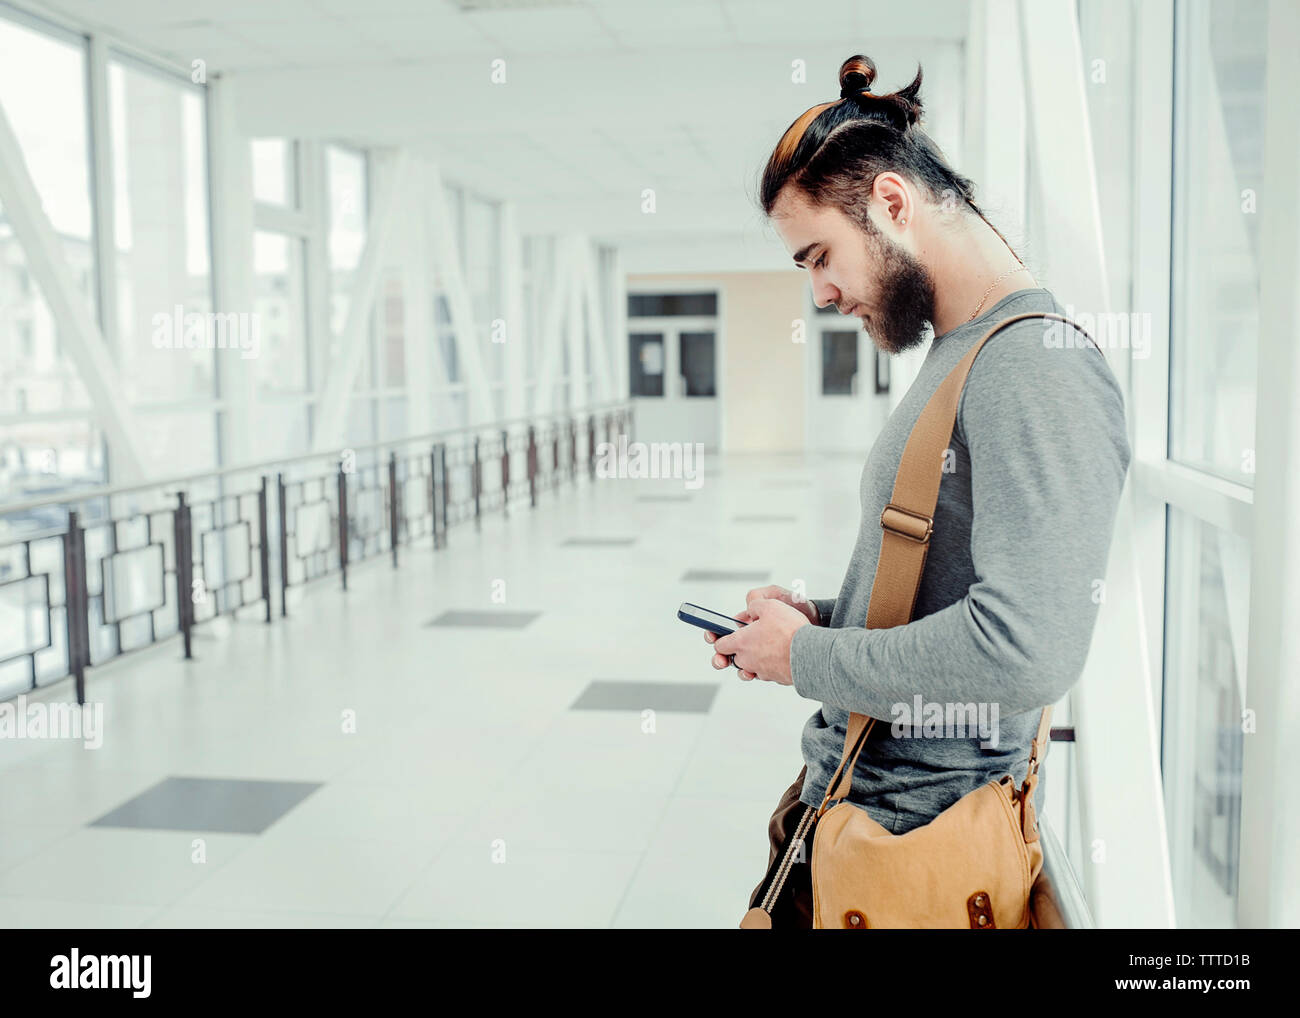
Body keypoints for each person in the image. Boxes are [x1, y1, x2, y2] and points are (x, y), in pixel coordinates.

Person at [704, 54, 1132, 927]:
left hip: (915, 861)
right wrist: (815, 619)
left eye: (819, 255)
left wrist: (808, 659)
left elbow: (1025, 651)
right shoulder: (966, 351)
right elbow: (946, 586)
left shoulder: (1030, 367)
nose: (820, 293)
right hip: (864, 824)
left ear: (892, 205)